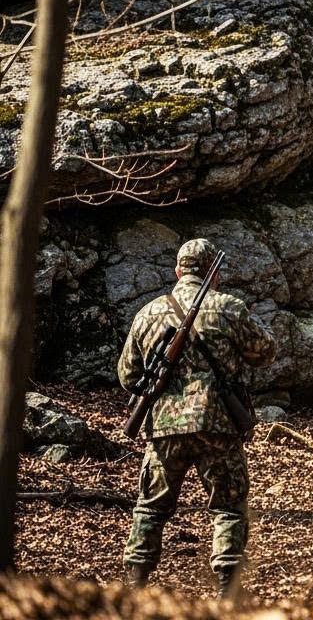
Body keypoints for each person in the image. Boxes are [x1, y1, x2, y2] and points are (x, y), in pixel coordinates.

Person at [118, 239, 276, 597]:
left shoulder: (148, 313)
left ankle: (134, 588)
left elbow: (128, 375)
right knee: (229, 508)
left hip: (163, 427)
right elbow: (265, 352)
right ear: (214, 275)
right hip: (217, 425)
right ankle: (226, 590)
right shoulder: (228, 308)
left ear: (178, 271)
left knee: (150, 508)